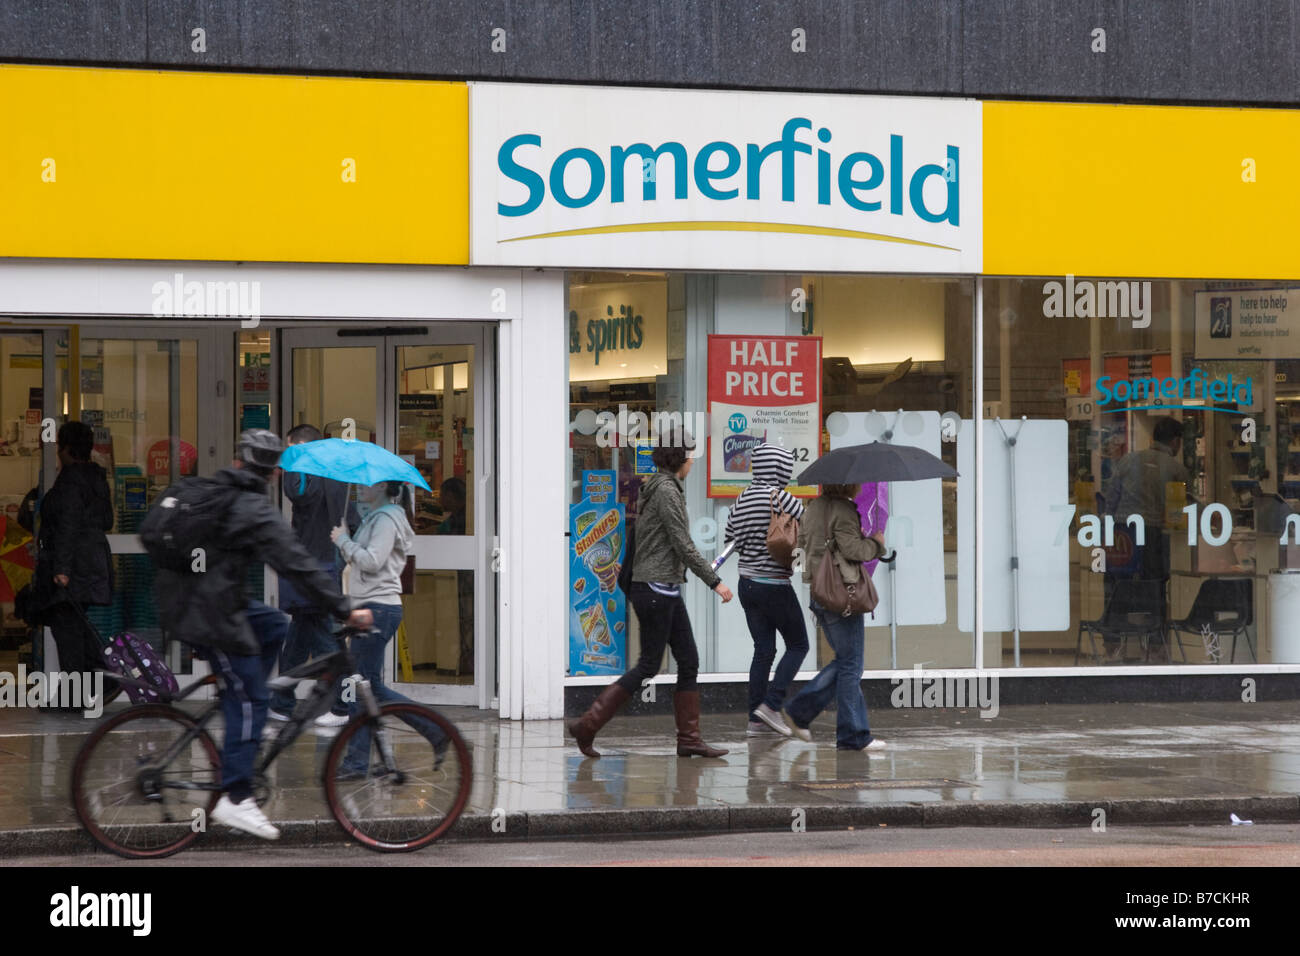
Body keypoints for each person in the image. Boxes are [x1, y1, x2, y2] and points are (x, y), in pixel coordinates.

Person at [154, 430, 373, 840]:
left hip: (206, 599)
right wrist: (343, 607)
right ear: (273, 474)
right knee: (250, 697)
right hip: (209, 611)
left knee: (276, 624)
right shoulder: (252, 507)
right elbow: (296, 564)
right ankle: (235, 797)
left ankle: (251, 697)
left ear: (239, 460)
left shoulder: (219, 487)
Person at [567, 439, 734, 759]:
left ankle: (689, 739)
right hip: (656, 590)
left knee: (688, 660)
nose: (692, 463)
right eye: (690, 457)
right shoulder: (667, 492)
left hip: (662, 588)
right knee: (648, 665)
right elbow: (682, 543)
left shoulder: (656, 487)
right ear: (679, 460)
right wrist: (715, 582)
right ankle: (588, 725)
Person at [330, 480, 448, 774]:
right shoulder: (379, 517)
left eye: (366, 484)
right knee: (368, 687)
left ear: (382, 486)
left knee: (366, 688)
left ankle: (434, 730)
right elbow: (361, 561)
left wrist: (344, 540)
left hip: (377, 609)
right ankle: (367, 759)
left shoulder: (385, 519)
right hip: (372, 607)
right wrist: (346, 541)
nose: (359, 487)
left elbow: (371, 561)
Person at [783, 483, 887, 751]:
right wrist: (876, 543)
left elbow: (802, 549)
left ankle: (822, 720)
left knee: (845, 662)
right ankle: (849, 734)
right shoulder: (843, 510)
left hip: (820, 594)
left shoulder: (813, 508)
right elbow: (855, 551)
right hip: (843, 595)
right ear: (846, 484)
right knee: (851, 665)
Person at [269, 423, 356, 728]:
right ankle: (281, 702)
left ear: (299, 445)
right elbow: (352, 517)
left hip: (314, 567)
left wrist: (294, 459)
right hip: (323, 563)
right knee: (300, 634)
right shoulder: (336, 475)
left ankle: (345, 704)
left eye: (289, 447)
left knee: (324, 638)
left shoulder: (308, 471)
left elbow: (298, 494)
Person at [723, 443, 808, 737]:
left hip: (747, 584)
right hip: (775, 585)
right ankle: (771, 706)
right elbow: (806, 531)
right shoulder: (784, 499)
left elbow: (729, 536)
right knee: (799, 645)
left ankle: (755, 721)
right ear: (781, 468)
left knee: (763, 651)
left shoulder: (741, 499)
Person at [1101, 416, 1191, 658]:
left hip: (1122, 530)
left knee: (1117, 584)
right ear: (1175, 442)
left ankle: (1111, 640)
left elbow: (1111, 498)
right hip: (1152, 531)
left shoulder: (1128, 460)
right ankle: (1155, 640)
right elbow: (1185, 506)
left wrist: (1107, 529)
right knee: (1155, 585)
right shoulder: (1177, 469)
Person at [33, 422, 114, 680]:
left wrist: (62, 570)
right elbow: (107, 521)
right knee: (76, 629)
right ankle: (95, 685)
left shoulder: (70, 480)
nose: (57, 452)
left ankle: (75, 696)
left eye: (59, 446)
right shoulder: (96, 479)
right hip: (92, 565)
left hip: (73, 569)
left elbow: (68, 526)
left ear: (67, 448)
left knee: (67, 630)